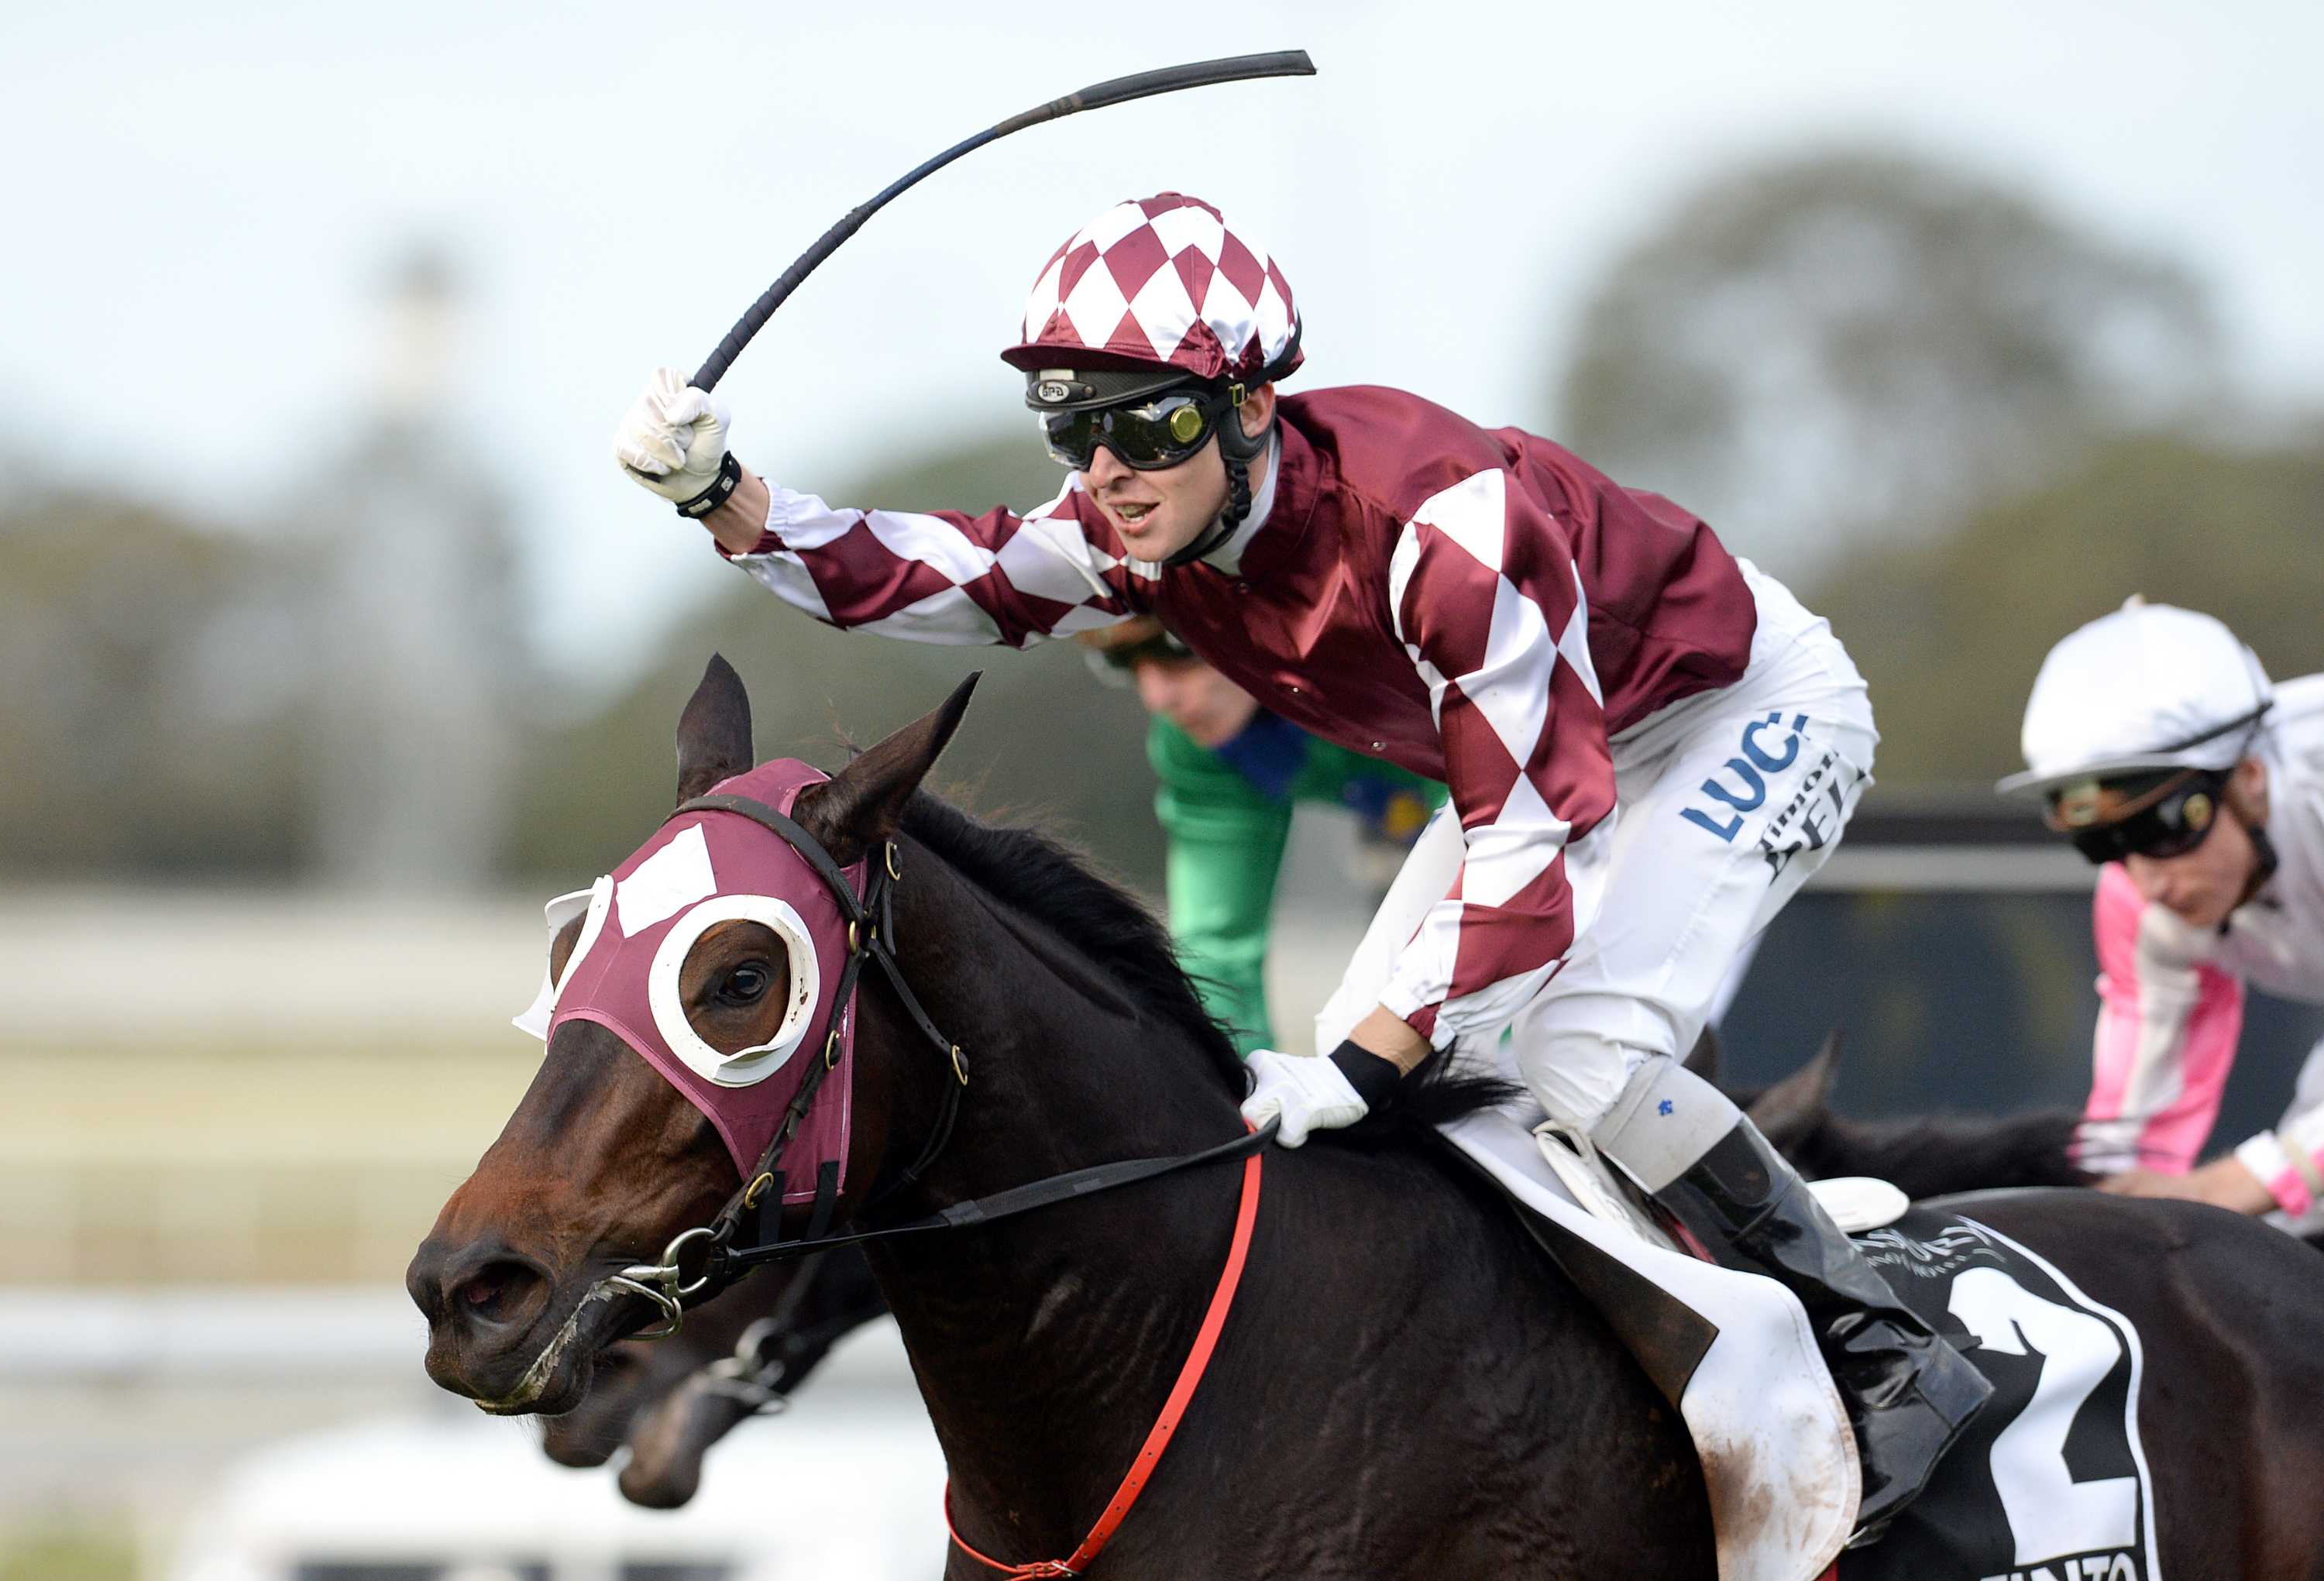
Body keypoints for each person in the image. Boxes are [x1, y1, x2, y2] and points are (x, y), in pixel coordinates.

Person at [610, 191, 1988, 1535]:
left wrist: (1371, 1064)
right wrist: (727, 498)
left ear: (1254, 404)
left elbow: (1532, 851)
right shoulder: (1148, 529)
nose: (1107, 473)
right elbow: (954, 577)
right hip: (1562, 743)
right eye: (1076, 431)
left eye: (1147, 425)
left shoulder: (1448, 531)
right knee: (1361, 1042)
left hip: (1739, 708)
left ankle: (1878, 1344)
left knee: (1570, 1047)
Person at [1999, 599, 2324, 1234]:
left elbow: (2250, 1181)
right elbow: (2130, 1152)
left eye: (2166, 827)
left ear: (2249, 778)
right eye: (2105, 844)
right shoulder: (2137, 899)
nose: (2149, 882)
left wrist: (2230, 1183)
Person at [1078, 614, 1445, 1054]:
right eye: (1120, 660)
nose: (1156, 697)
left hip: (1499, 783)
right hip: (1413, 813)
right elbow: (1216, 950)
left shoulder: (1393, 654)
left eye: (1176, 648)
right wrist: (1235, 1085)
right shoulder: (1196, 741)